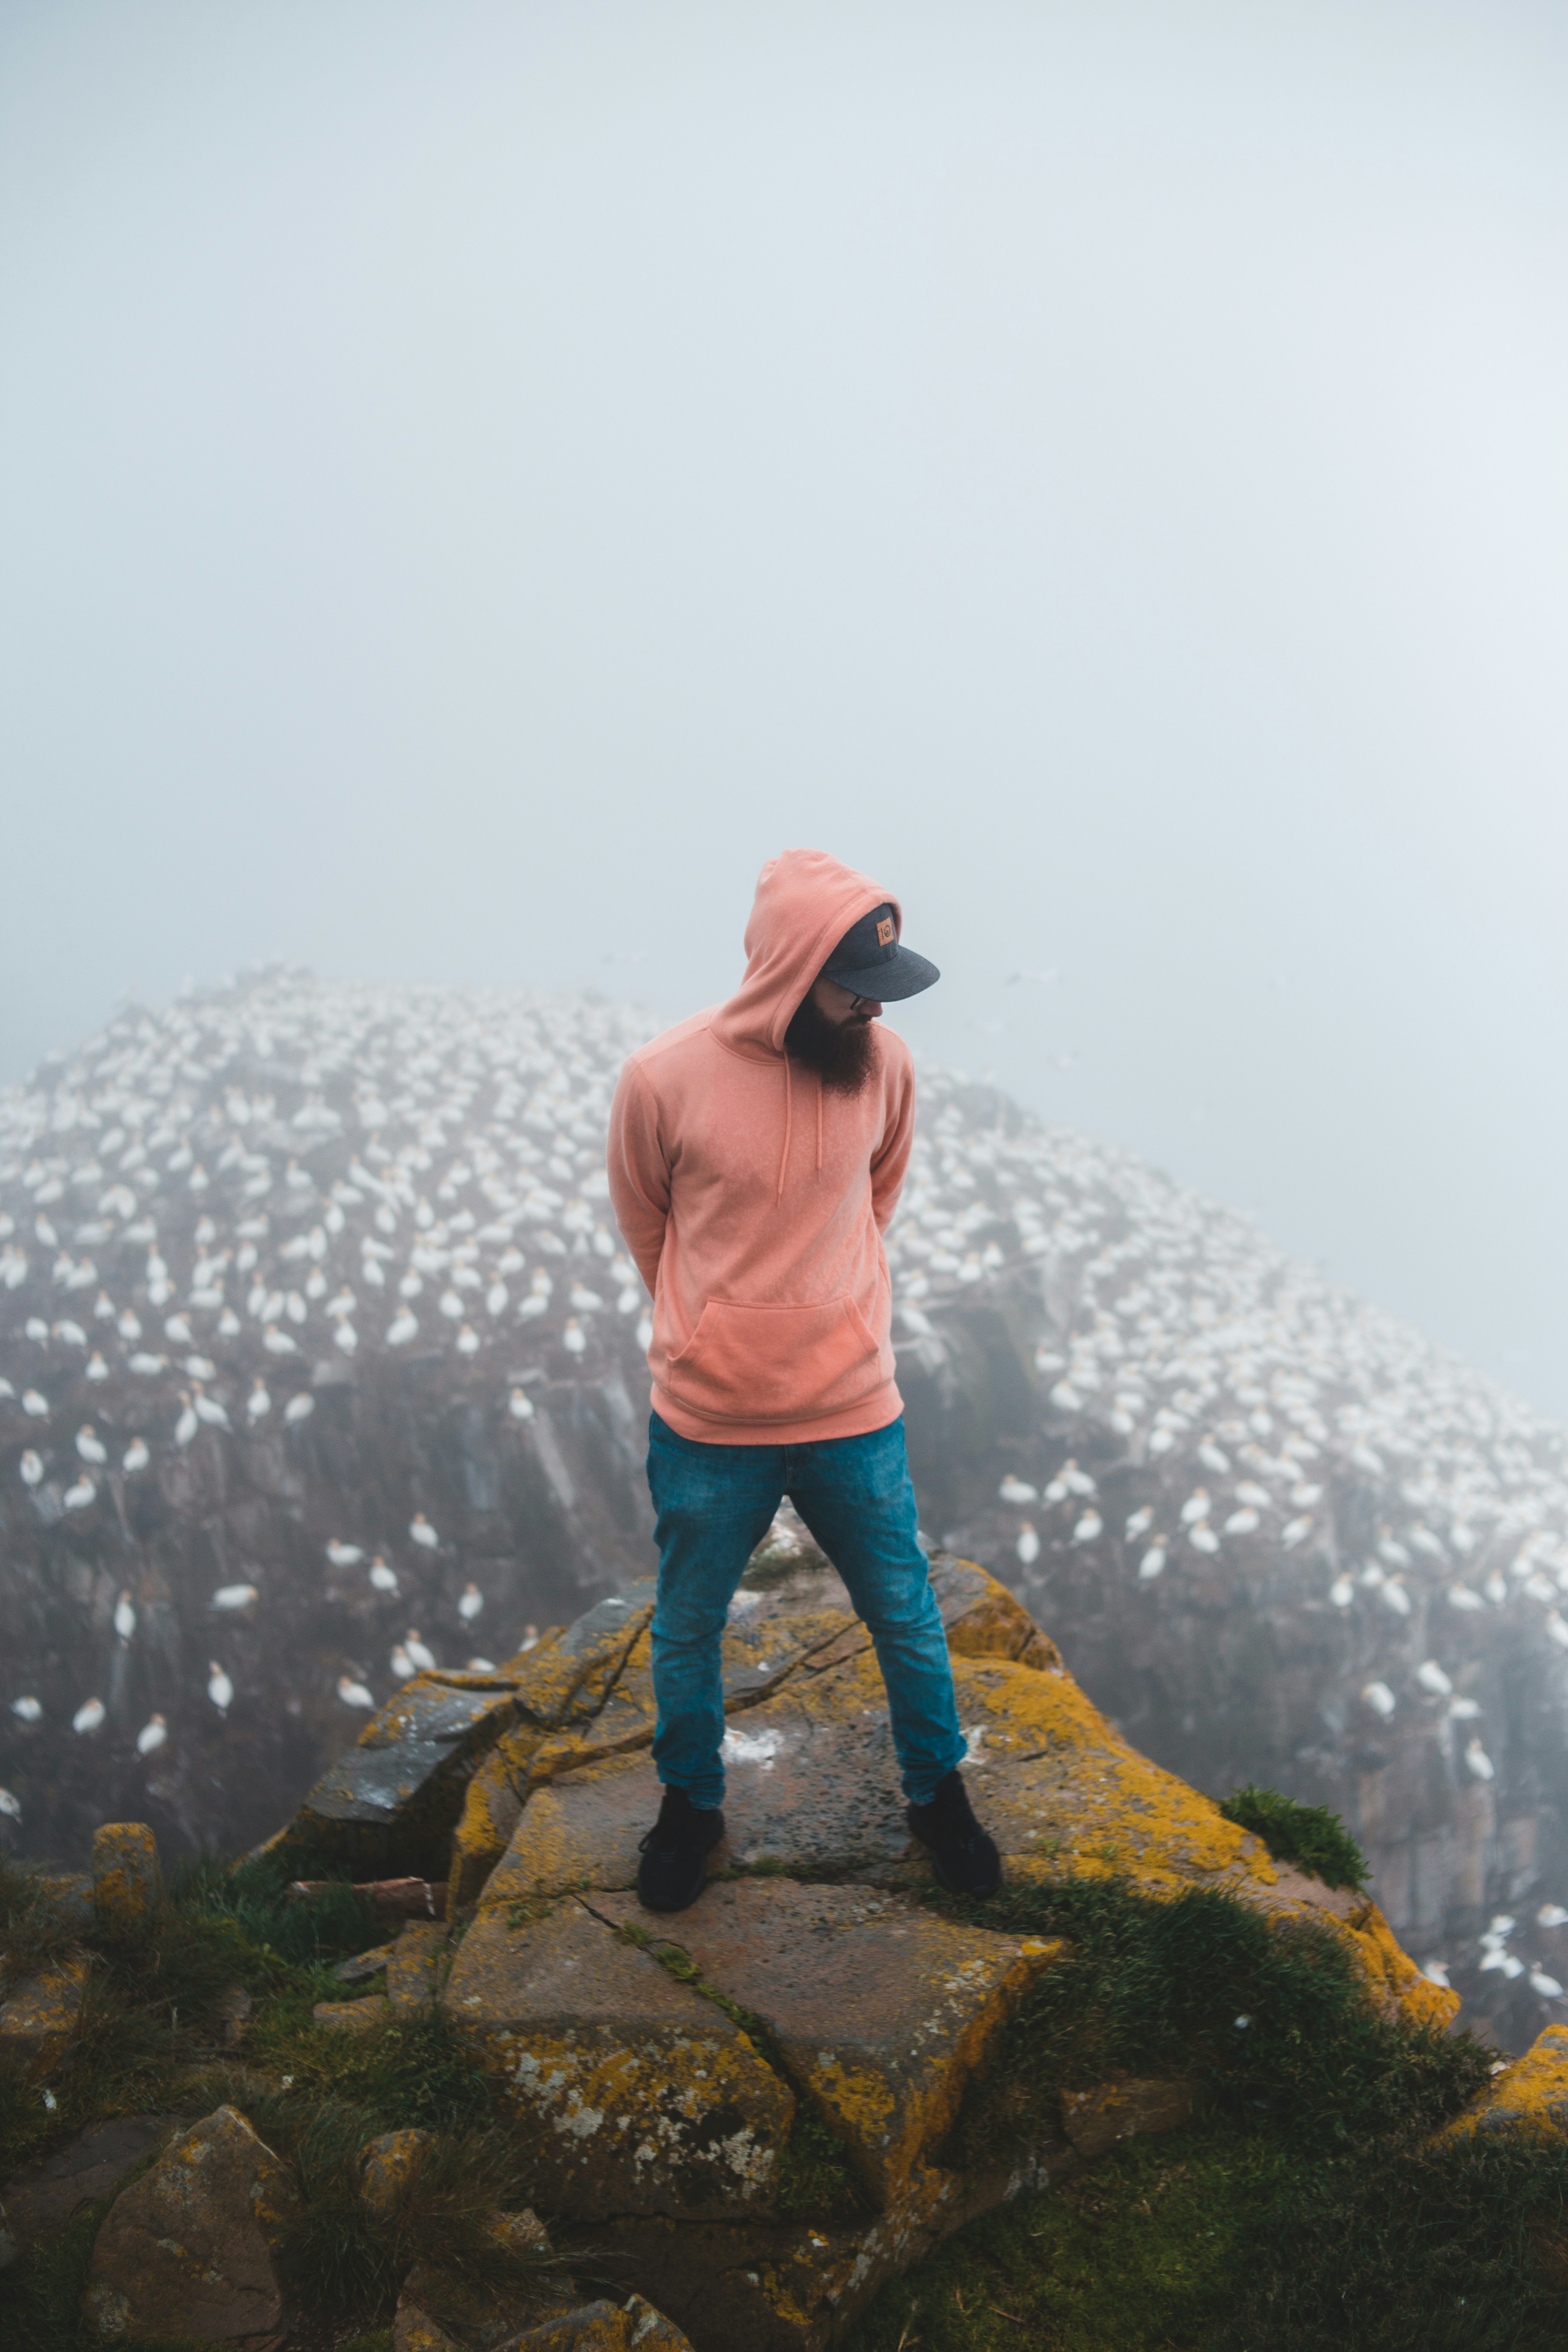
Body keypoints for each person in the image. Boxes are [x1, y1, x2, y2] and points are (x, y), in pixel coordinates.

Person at [606, 847, 1001, 1912]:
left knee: (907, 1615)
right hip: (708, 1422)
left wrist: (824, 1308)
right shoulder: (664, 1077)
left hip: (852, 1412)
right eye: (855, 989)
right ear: (790, 970)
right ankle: (691, 1808)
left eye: (884, 990)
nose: (875, 1011)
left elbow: (877, 1198)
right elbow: (649, 1222)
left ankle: (938, 1799)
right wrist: (711, 1329)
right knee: (689, 1626)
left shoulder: (889, 1067)